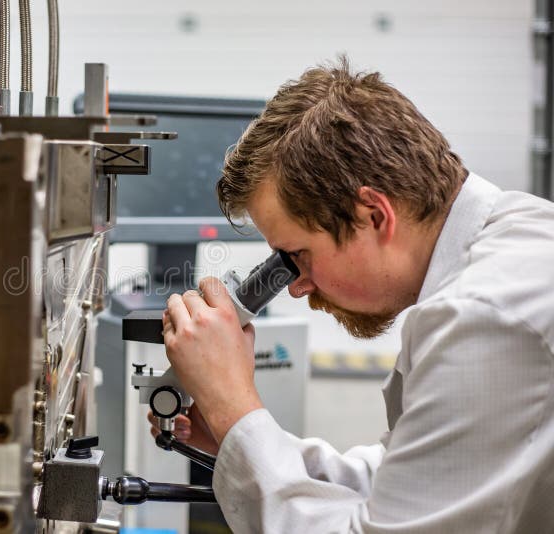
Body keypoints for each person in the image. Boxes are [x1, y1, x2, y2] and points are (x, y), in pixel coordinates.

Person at [150, 58, 554, 532]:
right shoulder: (512, 237)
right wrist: (237, 436)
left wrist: (232, 405)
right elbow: (406, 482)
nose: (297, 287)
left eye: (298, 255)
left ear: (374, 215)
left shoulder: (485, 315)